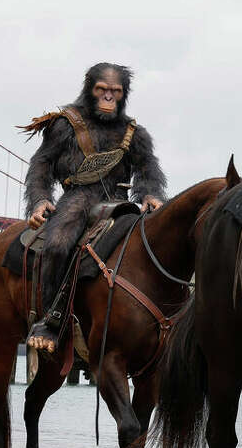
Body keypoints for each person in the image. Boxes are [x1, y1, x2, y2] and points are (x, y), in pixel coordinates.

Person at [20, 62, 169, 358]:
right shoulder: (64, 124)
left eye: (115, 92)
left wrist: (152, 193)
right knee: (59, 244)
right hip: (77, 198)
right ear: (90, 89)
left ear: (124, 94)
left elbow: (147, 167)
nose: (109, 98)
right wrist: (39, 199)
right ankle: (50, 321)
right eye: (102, 91)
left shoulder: (134, 133)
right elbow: (42, 164)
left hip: (120, 202)